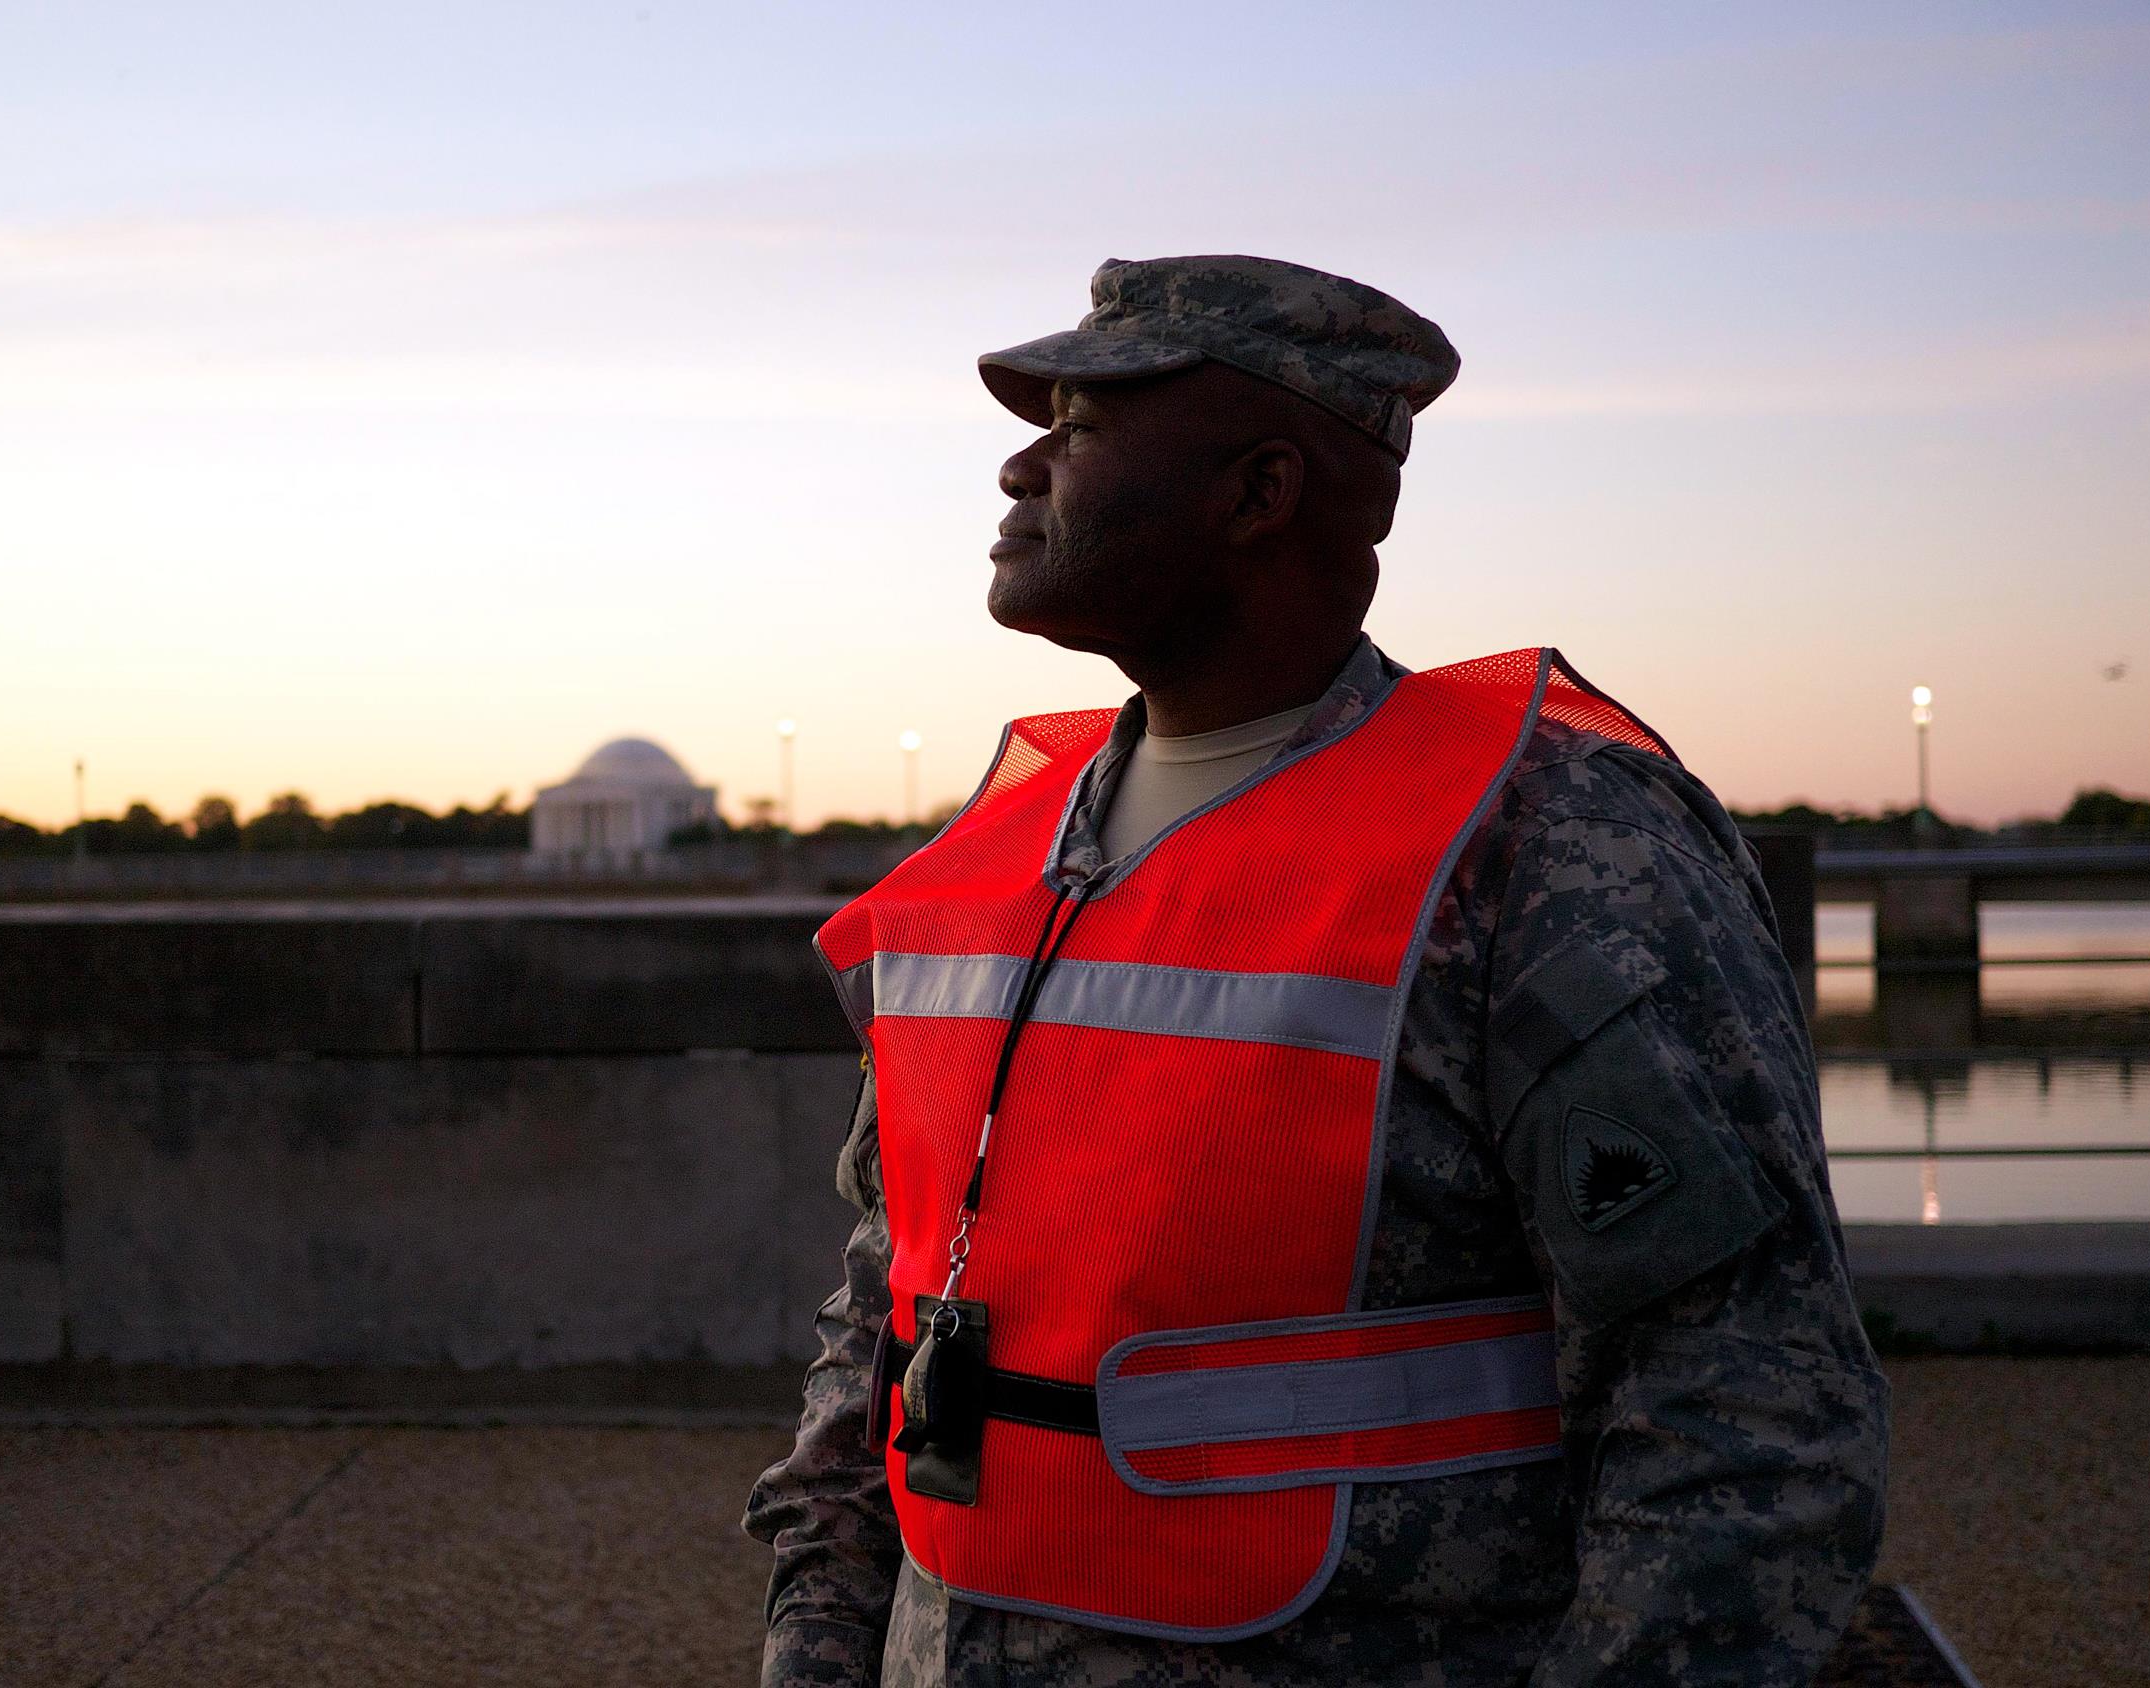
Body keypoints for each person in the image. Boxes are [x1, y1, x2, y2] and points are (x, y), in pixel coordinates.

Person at [743, 255, 1886, 1687]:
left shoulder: (1540, 841)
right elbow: (886, 1315)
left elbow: (1747, 1414)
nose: (1020, 466)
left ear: (1259, 491)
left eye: (1083, 426)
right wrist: (819, 1645)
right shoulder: (996, 851)